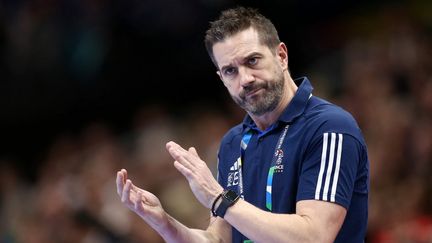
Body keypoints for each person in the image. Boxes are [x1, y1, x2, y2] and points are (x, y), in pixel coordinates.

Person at [116, 6, 369, 243]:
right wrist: (164, 223)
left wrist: (218, 198)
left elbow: (314, 236)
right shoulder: (233, 143)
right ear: (221, 78)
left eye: (253, 61)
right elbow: (218, 239)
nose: (245, 79)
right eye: (230, 71)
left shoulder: (330, 127)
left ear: (281, 56)